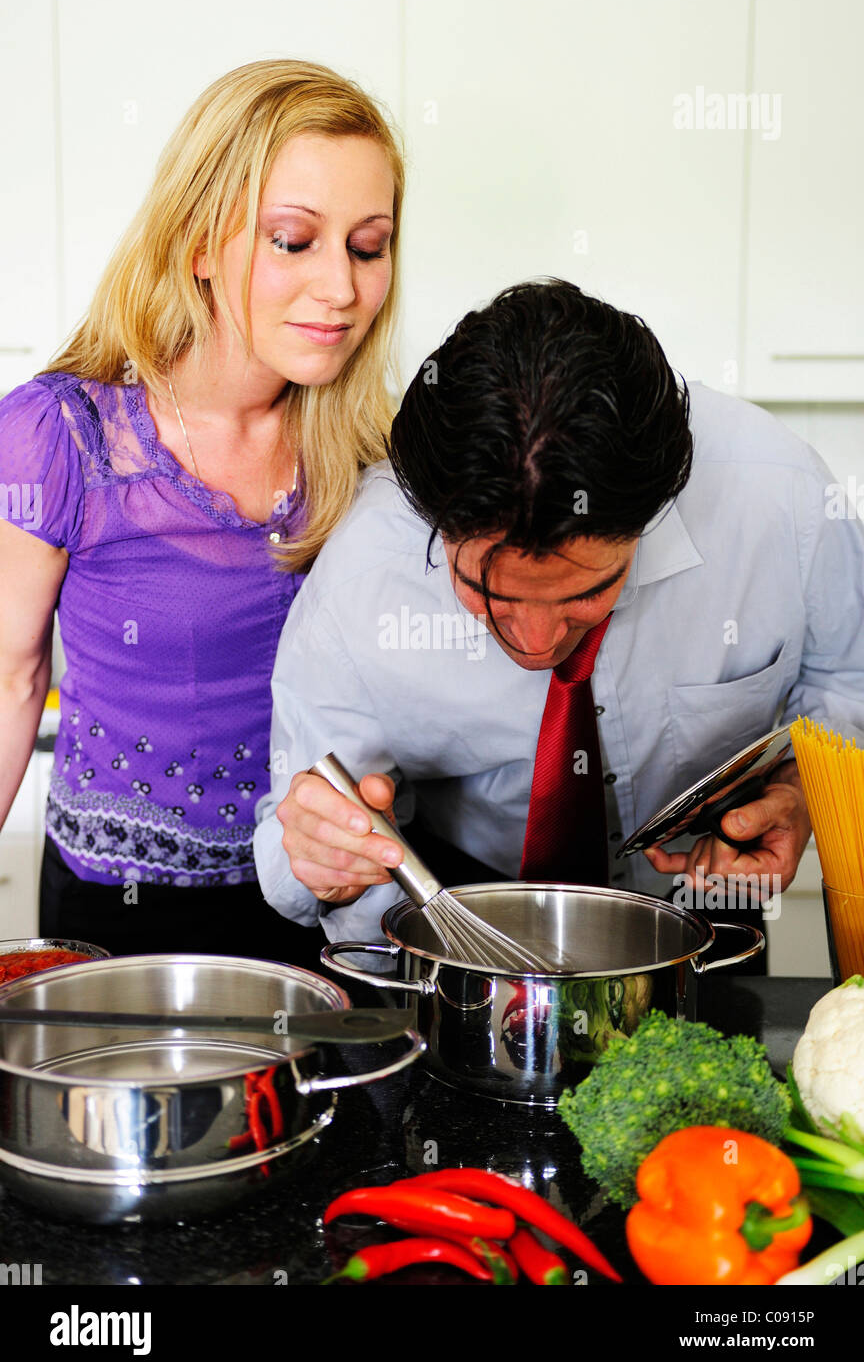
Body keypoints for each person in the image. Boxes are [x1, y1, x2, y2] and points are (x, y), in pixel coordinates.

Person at [253, 279, 864, 962]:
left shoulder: (782, 498)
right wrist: (325, 861)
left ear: (653, 513)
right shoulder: (365, 571)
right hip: (472, 915)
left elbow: (849, 679)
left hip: (710, 911)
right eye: (491, 595)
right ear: (431, 520)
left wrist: (801, 792)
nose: (538, 644)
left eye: (586, 593)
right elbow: (293, 845)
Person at [0, 59, 404, 965]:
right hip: (120, 910)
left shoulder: (379, 452)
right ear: (195, 245)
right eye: (293, 240)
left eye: (367, 246)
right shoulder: (61, 436)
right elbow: (9, 682)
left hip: (323, 903)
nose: (340, 288)